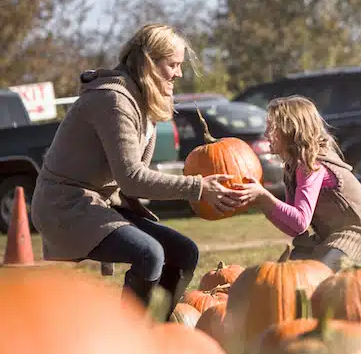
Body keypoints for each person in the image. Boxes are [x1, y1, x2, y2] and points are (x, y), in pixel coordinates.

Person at [30, 23, 252, 317]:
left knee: (184, 252)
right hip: (64, 205)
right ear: (149, 63)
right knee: (149, 253)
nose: (179, 73)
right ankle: (131, 341)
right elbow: (132, 178)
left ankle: (155, 331)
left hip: (98, 204)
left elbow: (135, 178)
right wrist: (198, 187)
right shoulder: (113, 100)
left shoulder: (145, 100)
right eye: (173, 65)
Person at [237, 96, 361, 270]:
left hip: (358, 234)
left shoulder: (311, 166)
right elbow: (295, 229)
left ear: (290, 130)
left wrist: (264, 197)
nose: (266, 134)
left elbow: (300, 221)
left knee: (320, 282)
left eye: (272, 128)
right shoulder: (292, 168)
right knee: (290, 278)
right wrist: (263, 203)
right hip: (331, 235)